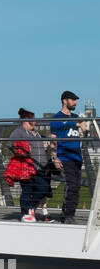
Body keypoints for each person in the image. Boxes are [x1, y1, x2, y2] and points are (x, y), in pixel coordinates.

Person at [49, 90, 88, 225]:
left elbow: (85, 133)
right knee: (71, 186)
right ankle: (67, 215)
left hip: (77, 157)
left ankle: (69, 213)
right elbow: (53, 140)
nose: (75, 102)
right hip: (65, 157)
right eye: (73, 100)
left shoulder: (76, 116)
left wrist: (84, 126)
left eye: (76, 100)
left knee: (76, 187)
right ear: (65, 101)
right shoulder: (56, 118)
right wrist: (55, 158)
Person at [8, 108, 53, 223]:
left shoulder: (36, 133)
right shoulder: (19, 132)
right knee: (27, 191)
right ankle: (25, 214)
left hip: (40, 167)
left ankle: (30, 208)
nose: (35, 122)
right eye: (33, 120)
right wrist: (21, 151)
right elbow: (10, 144)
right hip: (27, 167)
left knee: (44, 189)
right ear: (26, 120)